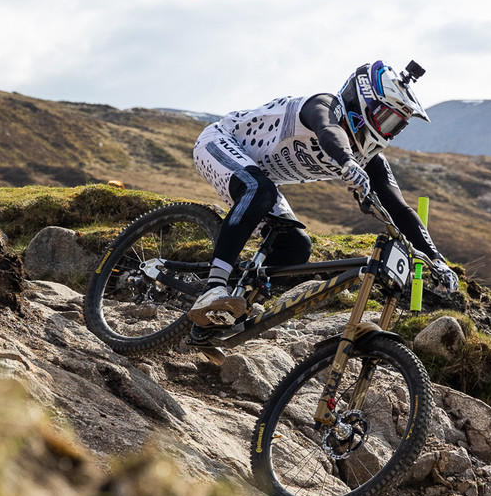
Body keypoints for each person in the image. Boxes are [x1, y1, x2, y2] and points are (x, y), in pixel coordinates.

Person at [188, 59, 459, 326]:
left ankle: (222, 311)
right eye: (385, 119)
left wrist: (437, 259)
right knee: (260, 190)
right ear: (364, 100)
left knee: (296, 247)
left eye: (395, 126)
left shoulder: (367, 157)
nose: (387, 133)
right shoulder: (323, 105)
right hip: (222, 142)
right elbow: (328, 131)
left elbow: (399, 209)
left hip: (261, 176)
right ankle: (214, 286)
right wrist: (347, 160)